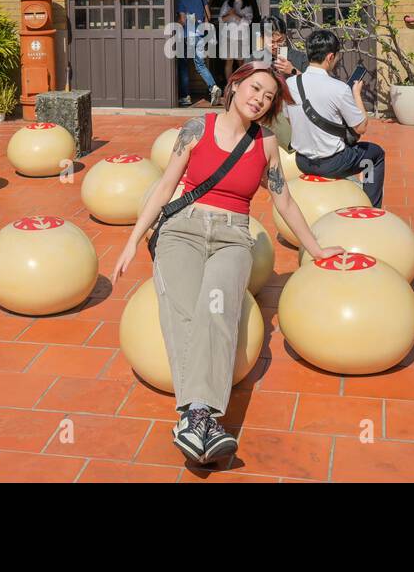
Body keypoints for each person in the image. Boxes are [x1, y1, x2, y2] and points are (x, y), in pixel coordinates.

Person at [111, 61, 342, 466]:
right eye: (255, 89)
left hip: (234, 237)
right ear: (235, 87)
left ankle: (192, 419)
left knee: (216, 311)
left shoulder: (267, 143)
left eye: (268, 97)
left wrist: (317, 250)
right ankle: (203, 417)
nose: (259, 99)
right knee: (183, 313)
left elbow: (283, 200)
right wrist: (133, 240)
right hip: (182, 228)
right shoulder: (196, 128)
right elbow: (166, 185)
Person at [285, 29, 384, 207]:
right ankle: (371, 205)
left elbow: (289, 119)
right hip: (331, 162)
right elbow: (360, 128)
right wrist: (357, 94)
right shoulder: (338, 88)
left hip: (302, 160)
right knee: (374, 155)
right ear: (330, 57)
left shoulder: (290, 83)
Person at [175, 0, 220, 107]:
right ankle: (213, 87)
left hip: (188, 37)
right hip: (200, 35)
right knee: (200, 65)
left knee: (183, 66)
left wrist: (173, 23)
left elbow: (182, 20)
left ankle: (185, 97)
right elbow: (209, 15)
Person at [219, 0, 254, 82]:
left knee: (241, 62)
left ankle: (240, 84)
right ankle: (229, 86)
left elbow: (248, 22)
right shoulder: (227, 3)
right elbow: (220, 19)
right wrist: (229, 15)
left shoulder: (247, 5)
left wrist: (235, 15)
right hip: (228, 36)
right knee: (229, 62)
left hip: (242, 37)